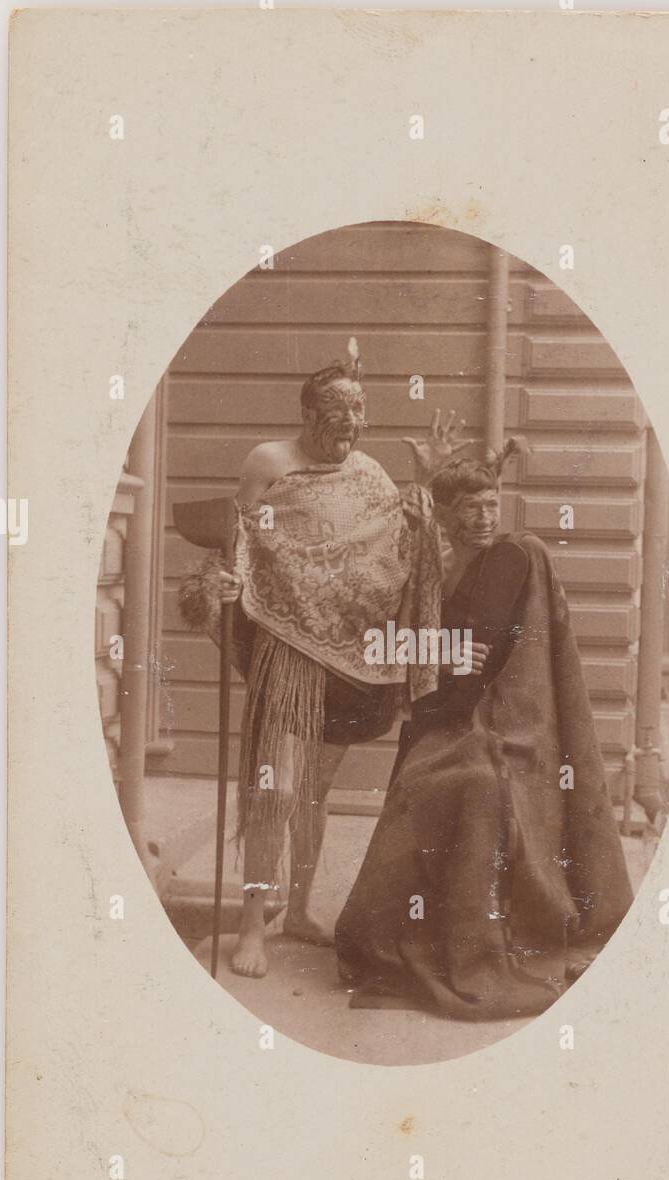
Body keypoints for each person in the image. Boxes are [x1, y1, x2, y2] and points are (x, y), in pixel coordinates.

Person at [179, 348, 482, 978]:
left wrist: (423, 485)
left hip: (350, 659)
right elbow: (245, 537)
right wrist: (226, 586)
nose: (350, 425)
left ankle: (300, 912)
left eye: (359, 414)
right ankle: (252, 924)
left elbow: (396, 547)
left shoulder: (370, 473)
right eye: (337, 413)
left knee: (315, 795)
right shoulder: (269, 461)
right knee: (275, 791)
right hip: (287, 651)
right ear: (308, 411)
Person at [334, 447, 634, 1021]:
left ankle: (464, 936)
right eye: (469, 508)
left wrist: (444, 696)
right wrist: (432, 666)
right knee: (430, 781)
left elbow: (484, 655)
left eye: (491, 504)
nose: (484, 517)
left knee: (460, 780)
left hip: (494, 715)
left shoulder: (508, 559)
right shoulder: (434, 569)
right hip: (444, 707)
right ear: (444, 516)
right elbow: (406, 645)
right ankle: (397, 931)